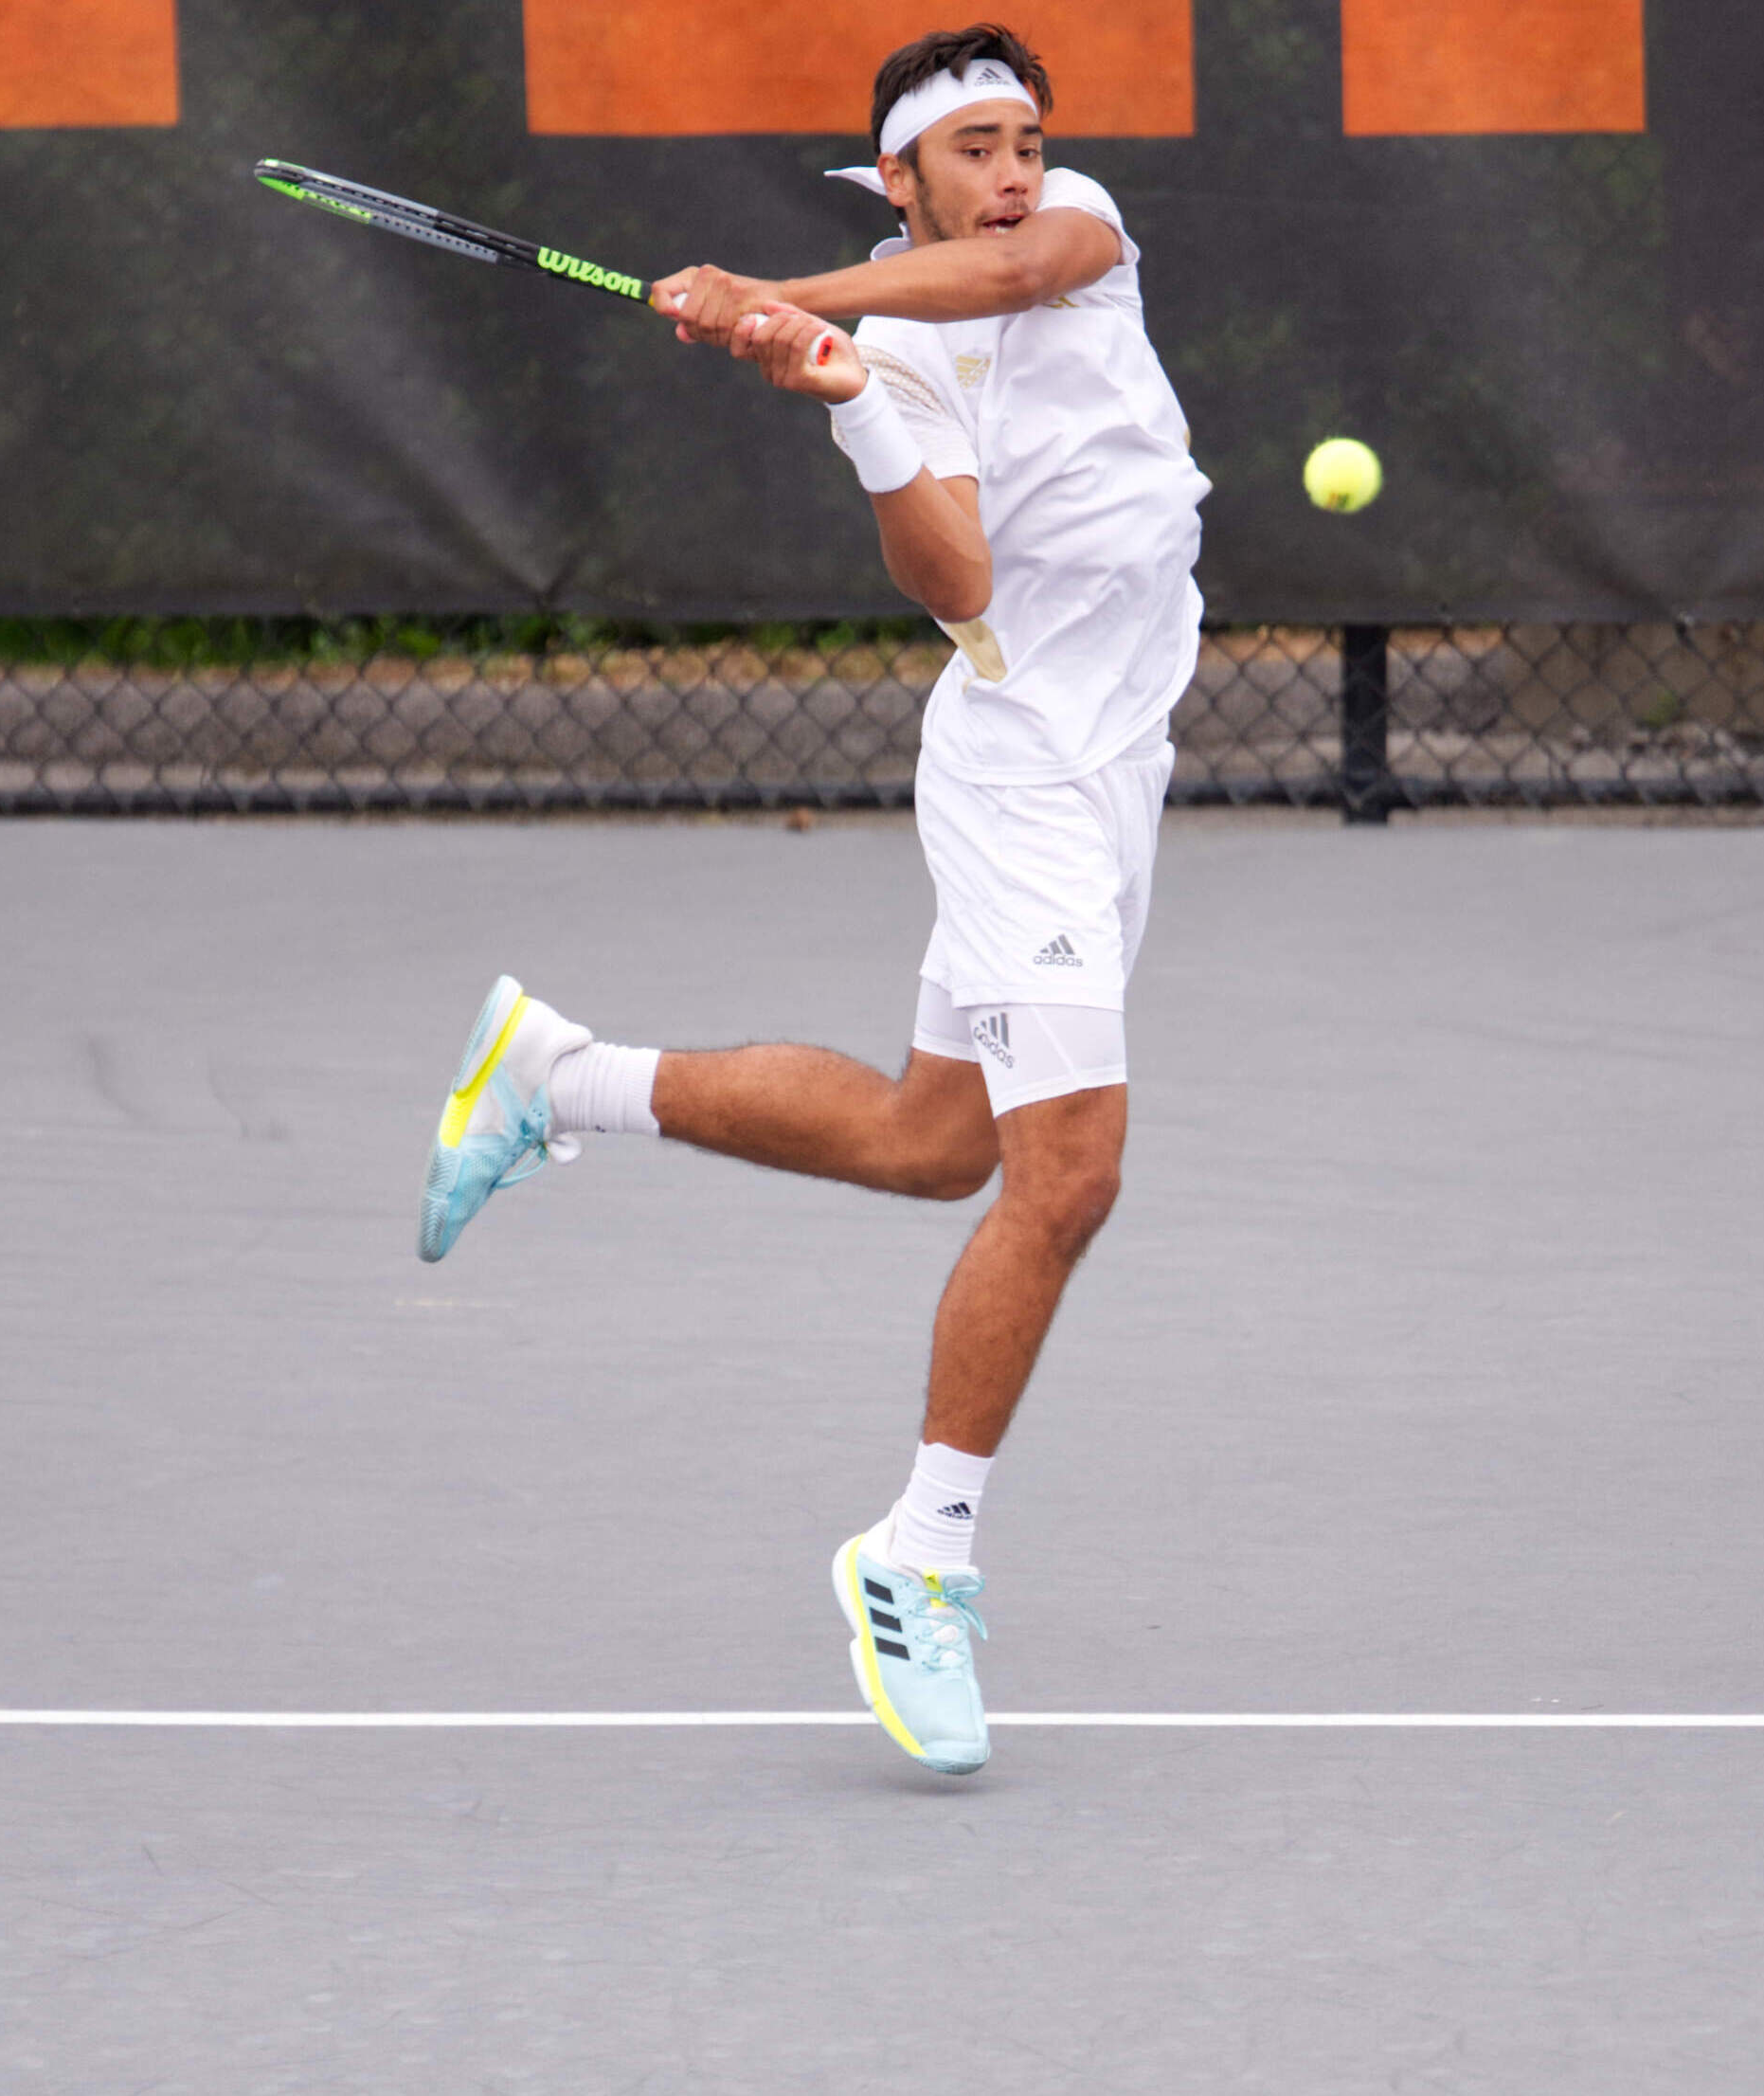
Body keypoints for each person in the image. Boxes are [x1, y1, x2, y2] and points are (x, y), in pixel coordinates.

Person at [415, 23, 1208, 1776]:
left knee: (940, 1146)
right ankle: (917, 1554)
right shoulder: (905, 358)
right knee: (1068, 1173)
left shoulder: (1075, 231)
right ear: (899, 177)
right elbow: (958, 579)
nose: (1017, 169)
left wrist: (776, 293)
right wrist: (853, 397)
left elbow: (1018, 263)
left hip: (1117, 760)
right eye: (977, 147)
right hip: (1021, 776)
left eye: (1028, 139)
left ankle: (558, 1077)